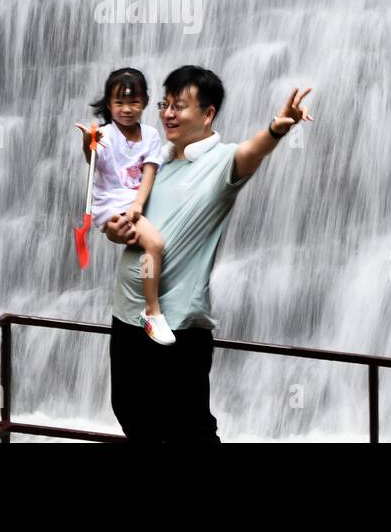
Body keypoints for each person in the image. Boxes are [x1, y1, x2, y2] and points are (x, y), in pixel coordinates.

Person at [103, 64, 313, 442]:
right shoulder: (152, 162)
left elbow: (251, 152)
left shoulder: (221, 163)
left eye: (179, 106)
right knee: (131, 412)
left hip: (178, 326)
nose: (168, 114)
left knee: (190, 429)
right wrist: (115, 232)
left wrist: (277, 128)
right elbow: (122, 216)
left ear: (208, 113)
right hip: (126, 316)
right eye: (164, 105)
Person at [76, 68, 176, 345]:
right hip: (111, 205)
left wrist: (138, 204)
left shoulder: (151, 136)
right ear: (109, 105)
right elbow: (93, 160)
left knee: (147, 244)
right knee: (154, 244)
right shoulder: (105, 134)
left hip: (133, 204)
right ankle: (151, 311)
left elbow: (149, 173)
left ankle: (150, 309)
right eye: (119, 103)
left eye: (134, 102)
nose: (127, 109)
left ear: (145, 103)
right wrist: (88, 144)